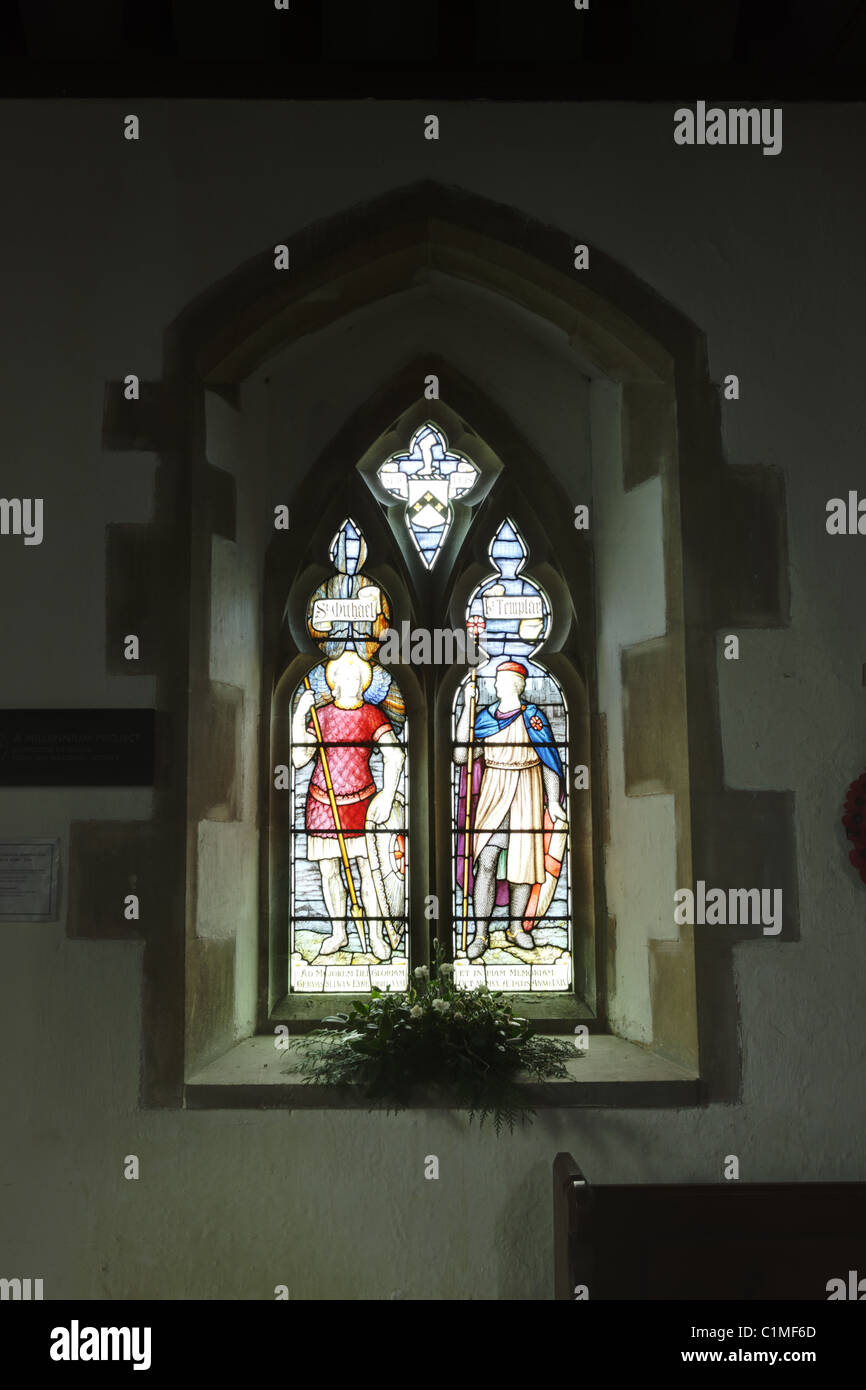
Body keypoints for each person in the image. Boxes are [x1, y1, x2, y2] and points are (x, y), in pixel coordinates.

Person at [292, 650, 404, 961]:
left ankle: (375, 936)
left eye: (357, 677)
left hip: (362, 805)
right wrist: (299, 716)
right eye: (345, 676)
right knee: (330, 872)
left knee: (369, 872)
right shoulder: (322, 715)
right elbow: (300, 758)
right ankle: (339, 933)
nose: (352, 681)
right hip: (323, 804)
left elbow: (395, 755)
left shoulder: (372, 714)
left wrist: (387, 794)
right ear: (335, 682)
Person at [454, 660, 566, 960]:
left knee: (522, 866)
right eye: (497, 681)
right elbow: (461, 755)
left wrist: (553, 801)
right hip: (494, 791)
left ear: (517, 685)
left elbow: (549, 763)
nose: (496, 685)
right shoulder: (485, 718)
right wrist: (467, 707)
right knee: (486, 860)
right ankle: (480, 933)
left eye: (502, 681)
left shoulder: (534, 719)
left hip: (527, 790)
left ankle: (516, 928)